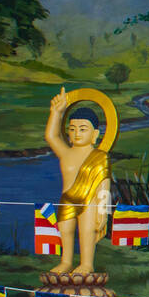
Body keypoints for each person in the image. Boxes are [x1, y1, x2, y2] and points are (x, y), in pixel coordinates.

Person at [45, 88, 111, 274]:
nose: (77, 134)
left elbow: (104, 186)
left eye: (83, 129)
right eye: (72, 129)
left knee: (87, 231)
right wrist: (56, 113)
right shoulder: (66, 152)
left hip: (89, 200)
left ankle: (86, 263)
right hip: (67, 197)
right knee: (65, 230)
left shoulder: (99, 156)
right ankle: (66, 261)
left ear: (95, 134)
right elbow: (51, 136)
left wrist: (103, 212)